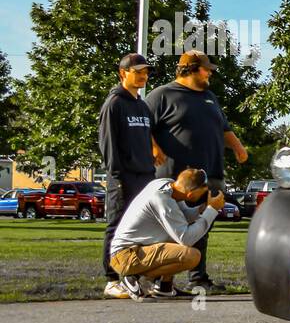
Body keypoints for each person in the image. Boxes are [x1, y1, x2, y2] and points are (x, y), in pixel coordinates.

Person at [146, 51, 248, 294]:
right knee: (168, 229)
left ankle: (198, 279)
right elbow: (144, 126)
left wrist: (238, 148)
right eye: (206, 68)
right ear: (190, 69)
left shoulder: (209, 97)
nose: (210, 72)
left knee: (203, 225)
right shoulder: (162, 95)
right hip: (176, 178)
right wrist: (153, 148)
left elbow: (224, 128)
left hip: (210, 174)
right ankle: (159, 279)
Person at [107, 168, 224, 300]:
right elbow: (187, 239)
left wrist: (202, 209)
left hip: (132, 251)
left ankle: (164, 288)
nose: (205, 194)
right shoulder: (163, 200)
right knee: (192, 256)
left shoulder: (166, 185)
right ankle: (133, 278)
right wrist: (212, 211)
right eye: (203, 192)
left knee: (175, 239)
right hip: (125, 256)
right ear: (190, 195)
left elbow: (183, 217)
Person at [98, 54, 156, 298]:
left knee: (140, 227)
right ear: (123, 73)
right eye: (138, 71)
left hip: (145, 176)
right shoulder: (114, 104)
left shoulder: (142, 106)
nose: (143, 76)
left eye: (145, 72)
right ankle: (111, 279)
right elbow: (108, 144)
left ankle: (133, 275)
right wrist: (117, 176)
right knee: (116, 224)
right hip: (123, 177)